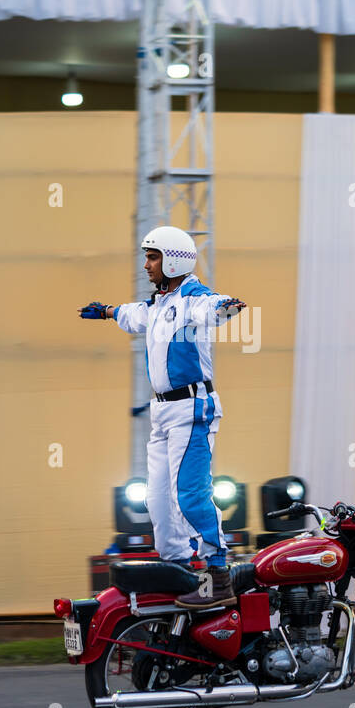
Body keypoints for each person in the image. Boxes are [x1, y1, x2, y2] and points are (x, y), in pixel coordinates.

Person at [79, 225, 245, 610]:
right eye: (147, 256)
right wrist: (105, 311)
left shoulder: (191, 297)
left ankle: (219, 574)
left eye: (152, 257)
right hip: (162, 414)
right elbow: (132, 314)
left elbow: (211, 306)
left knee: (189, 495)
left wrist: (225, 306)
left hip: (191, 409)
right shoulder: (158, 304)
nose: (146, 264)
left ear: (173, 259)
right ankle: (181, 568)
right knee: (157, 502)